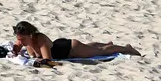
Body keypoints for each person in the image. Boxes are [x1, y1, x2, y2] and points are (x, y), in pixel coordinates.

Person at [11, 21, 139, 60]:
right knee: (89, 47)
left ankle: (126, 48)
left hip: (71, 49)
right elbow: (17, 49)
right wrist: (16, 51)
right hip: (59, 45)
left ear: (30, 35)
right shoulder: (23, 40)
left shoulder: (40, 39)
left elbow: (47, 60)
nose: (20, 42)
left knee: (102, 51)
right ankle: (108, 44)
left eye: (22, 39)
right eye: (18, 39)